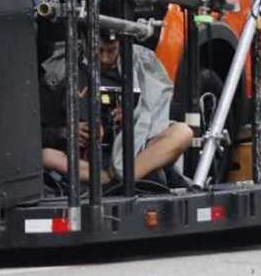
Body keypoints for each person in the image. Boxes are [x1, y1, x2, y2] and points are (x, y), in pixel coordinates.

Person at [39, 28, 192, 187]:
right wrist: (66, 132)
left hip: (135, 154)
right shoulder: (61, 72)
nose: (104, 58)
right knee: (47, 156)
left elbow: (159, 116)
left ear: (120, 44)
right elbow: (38, 133)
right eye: (98, 50)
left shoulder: (139, 65)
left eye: (111, 51)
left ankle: (120, 177)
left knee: (183, 132)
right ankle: (111, 179)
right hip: (86, 162)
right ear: (84, 42)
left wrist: (134, 118)